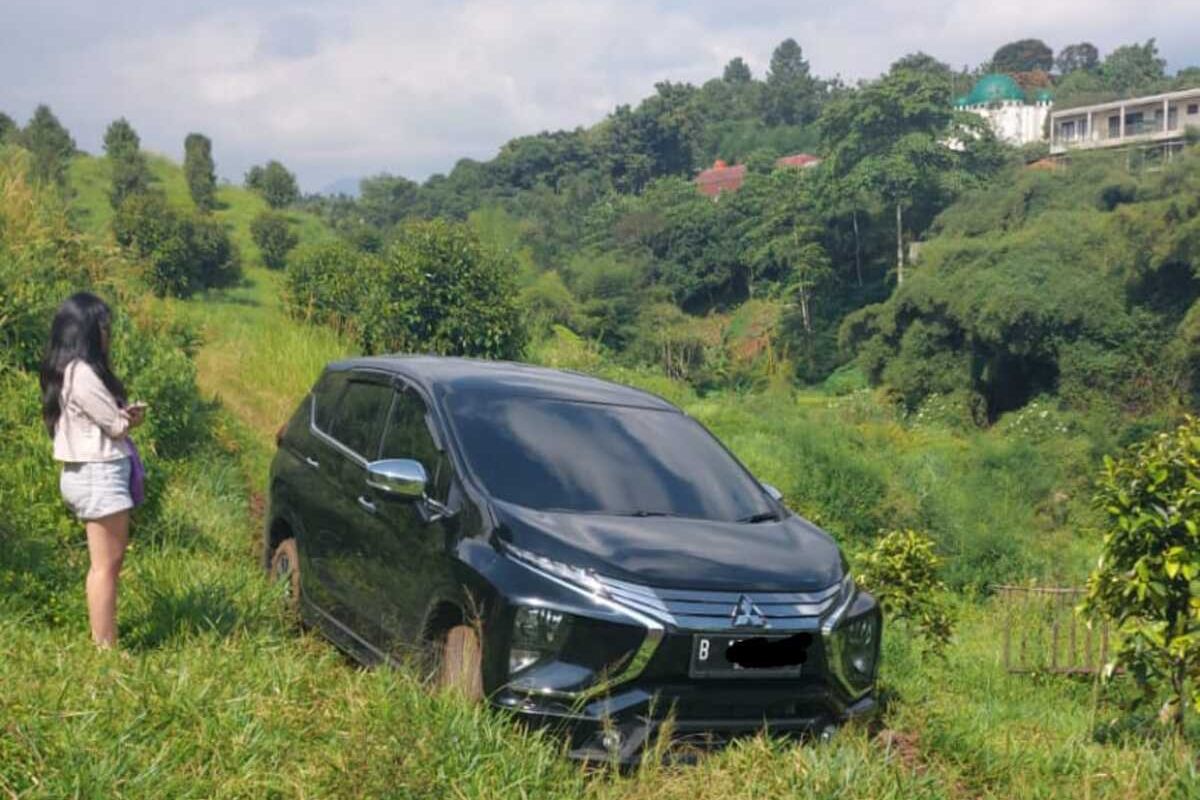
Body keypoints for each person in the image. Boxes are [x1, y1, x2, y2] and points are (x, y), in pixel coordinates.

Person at [40, 292, 147, 648]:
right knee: (107, 566)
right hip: (98, 475)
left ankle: (105, 642)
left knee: (104, 565)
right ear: (87, 330)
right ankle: (106, 650)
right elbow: (114, 426)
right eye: (103, 325)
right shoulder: (82, 373)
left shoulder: (63, 371)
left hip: (84, 473)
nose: (108, 333)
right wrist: (129, 417)